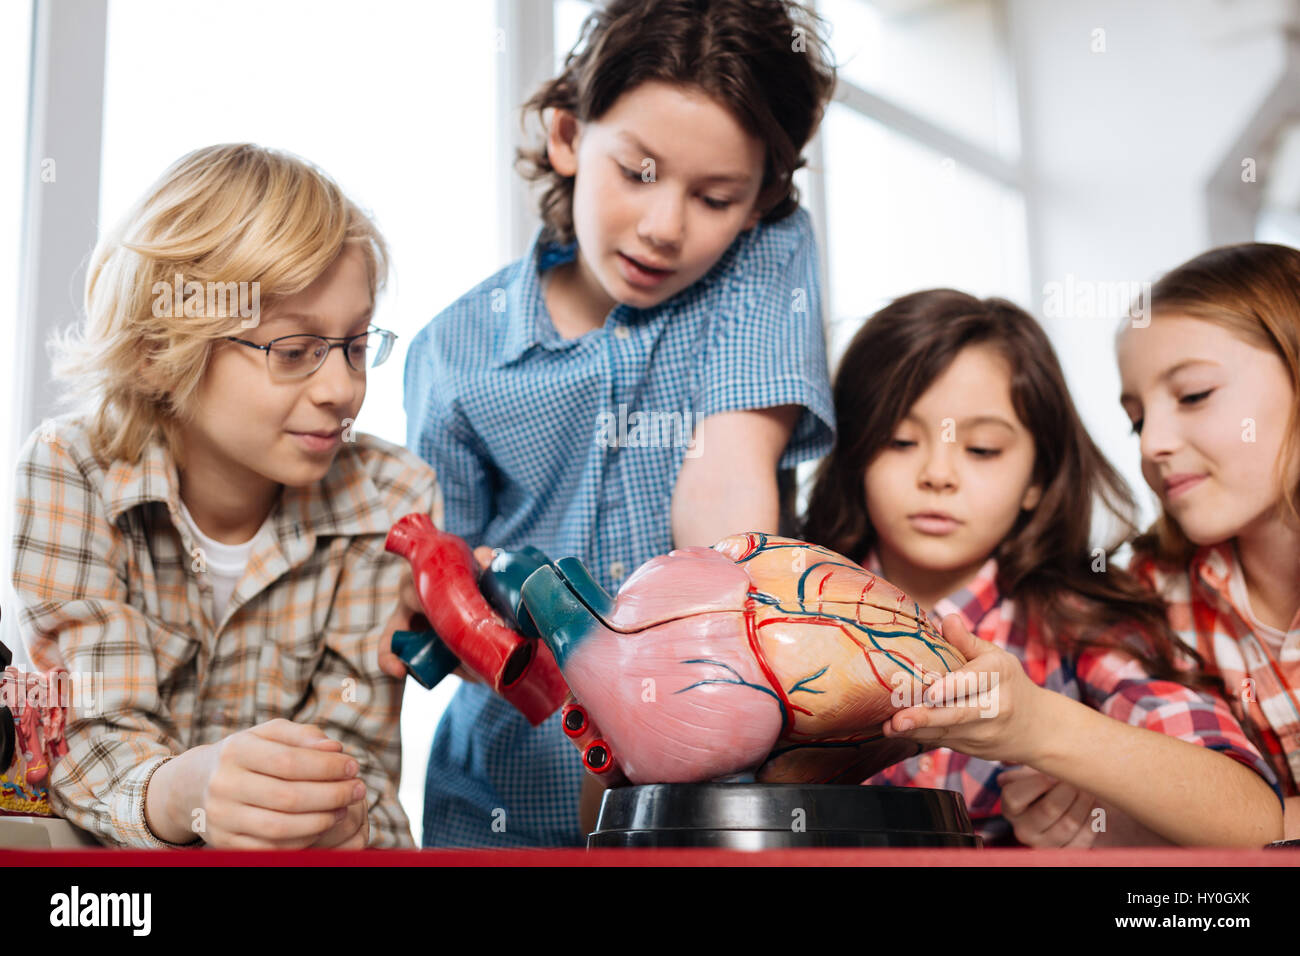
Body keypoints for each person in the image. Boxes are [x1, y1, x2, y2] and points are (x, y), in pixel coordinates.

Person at [403, 0, 837, 846]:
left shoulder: (767, 259)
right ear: (568, 136)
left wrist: (679, 694)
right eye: (638, 171)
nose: (664, 226)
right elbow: (443, 579)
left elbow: (726, 484)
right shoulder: (451, 352)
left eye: (715, 197)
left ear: (760, 204)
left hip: (703, 782)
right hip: (506, 780)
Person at [10, 143, 437, 848]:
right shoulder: (73, 471)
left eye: (357, 345)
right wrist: (188, 793)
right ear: (164, 347)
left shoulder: (390, 497)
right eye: (293, 351)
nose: (342, 390)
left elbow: (362, 774)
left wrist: (333, 815)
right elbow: (89, 744)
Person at [801, 288, 1283, 846]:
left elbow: (1253, 821)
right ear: (858, 452)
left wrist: (1039, 729)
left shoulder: (1082, 621)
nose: (938, 473)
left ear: (1036, 478)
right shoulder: (791, 607)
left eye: (981, 449)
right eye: (900, 440)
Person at [1116, 242, 1300, 841]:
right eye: (1137, 418)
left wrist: (1249, 823)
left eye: (1194, 394)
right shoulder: (1158, 593)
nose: (1151, 444)